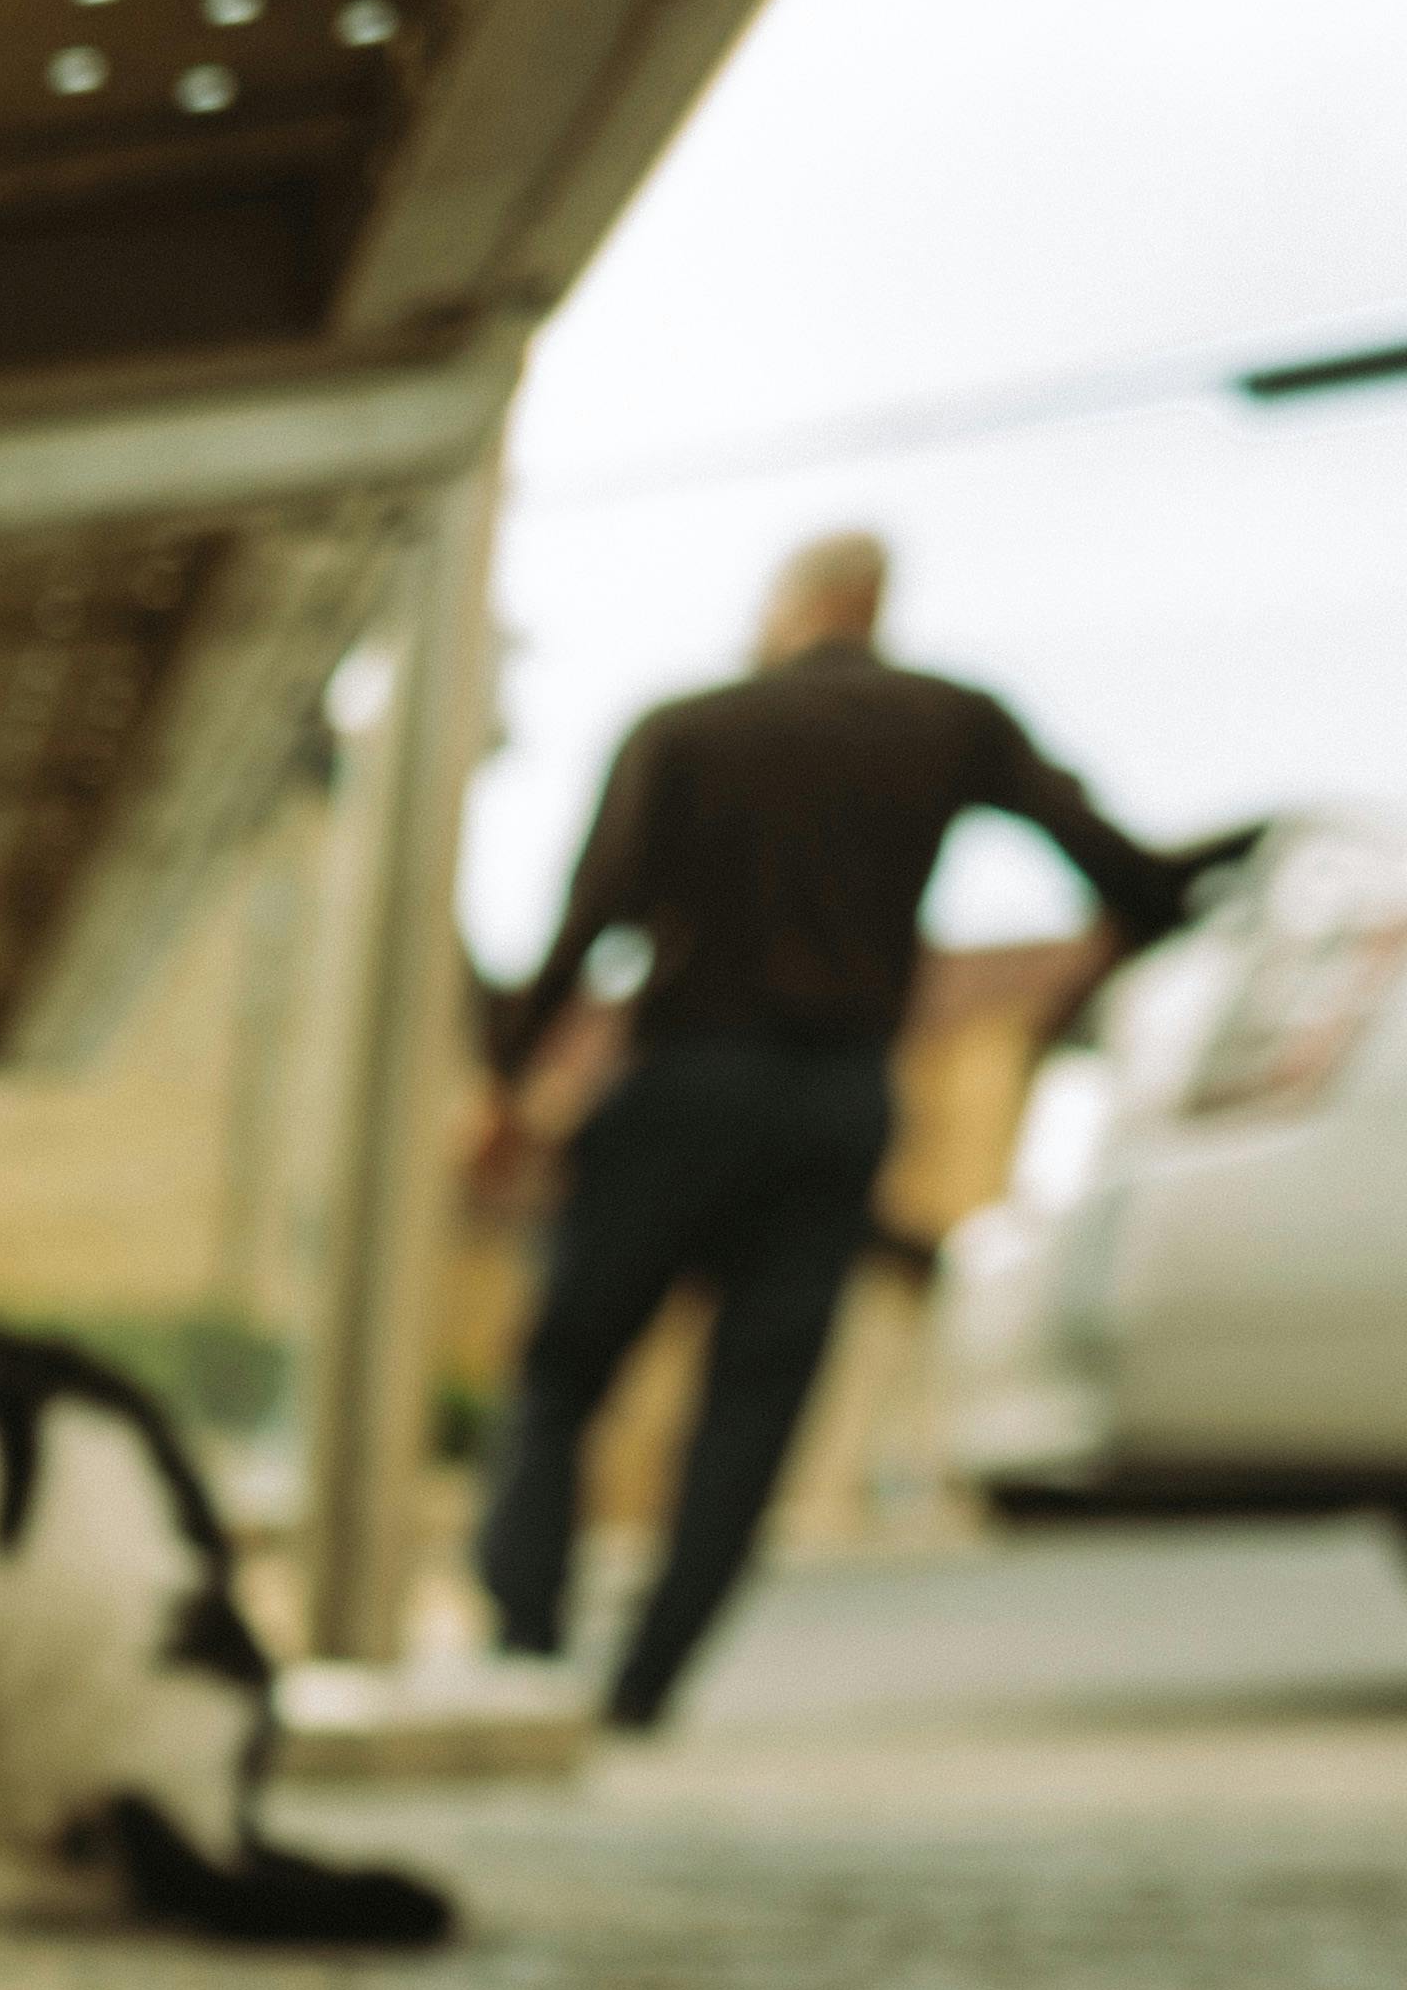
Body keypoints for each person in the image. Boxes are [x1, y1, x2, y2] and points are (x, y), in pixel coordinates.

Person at [468, 531, 1213, 1727]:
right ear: (872, 608)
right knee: (754, 1404)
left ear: (796, 605)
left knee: (562, 1373)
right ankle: (643, 1688)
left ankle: (524, 1655)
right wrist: (1119, 950)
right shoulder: (954, 723)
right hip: (839, 1099)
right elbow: (1129, 875)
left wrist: (508, 1085)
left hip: (684, 1082)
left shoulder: (689, 728)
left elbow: (589, 916)